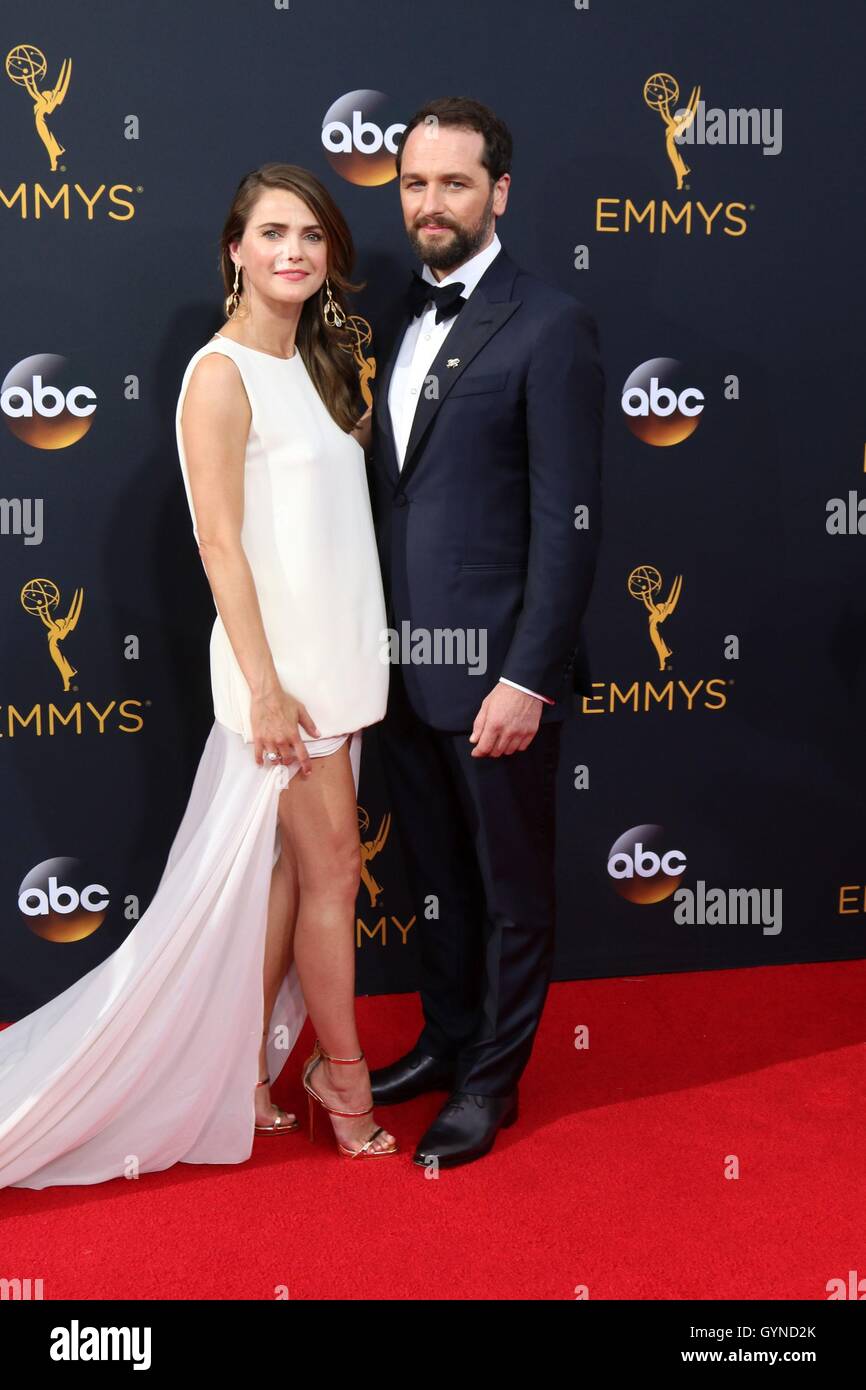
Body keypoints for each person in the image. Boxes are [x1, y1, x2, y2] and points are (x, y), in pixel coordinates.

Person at [0, 163, 397, 1189]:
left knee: (279, 880)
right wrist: (265, 688)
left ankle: (249, 1077)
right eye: (272, 232)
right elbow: (220, 545)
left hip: (340, 662)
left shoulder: (313, 365)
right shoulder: (217, 374)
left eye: (312, 234)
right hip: (289, 678)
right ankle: (340, 1079)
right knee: (332, 876)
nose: (294, 251)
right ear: (234, 250)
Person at [367, 98, 605, 1168]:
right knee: (436, 881)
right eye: (414, 183)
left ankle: (491, 1084)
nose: (430, 203)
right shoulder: (384, 323)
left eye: (452, 184)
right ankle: (445, 1038)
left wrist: (528, 676)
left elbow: (568, 520)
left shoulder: (547, 322)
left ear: (497, 193)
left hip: (497, 675)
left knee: (510, 891)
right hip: (402, 672)